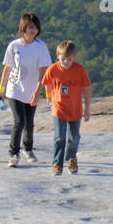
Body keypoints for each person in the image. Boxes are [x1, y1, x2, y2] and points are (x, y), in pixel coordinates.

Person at [0, 12, 50, 166]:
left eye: (35, 28)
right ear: (23, 28)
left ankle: (28, 148)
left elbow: (43, 71)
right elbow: (7, 69)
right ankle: (13, 153)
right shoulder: (14, 46)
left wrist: (38, 92)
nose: (32, 31)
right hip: (14, 89)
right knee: (19, 121)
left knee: (29, 122)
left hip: (32, 90)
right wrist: (1, 90)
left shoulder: (41, 47)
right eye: (29, 28)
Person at [37, 41, 92, 176]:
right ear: (57, 56)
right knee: (59, 137)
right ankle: (57, 164)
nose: (66, 62)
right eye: (63, 59)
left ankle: (71, 158)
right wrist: (49, 97)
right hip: (58, 108)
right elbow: (47, 83)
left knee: (74, 138)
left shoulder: (80, 70)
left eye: (69, 59)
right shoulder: (53, 69)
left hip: (75, 109)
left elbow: (87, 88)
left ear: (74, 57)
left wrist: (87, 107)